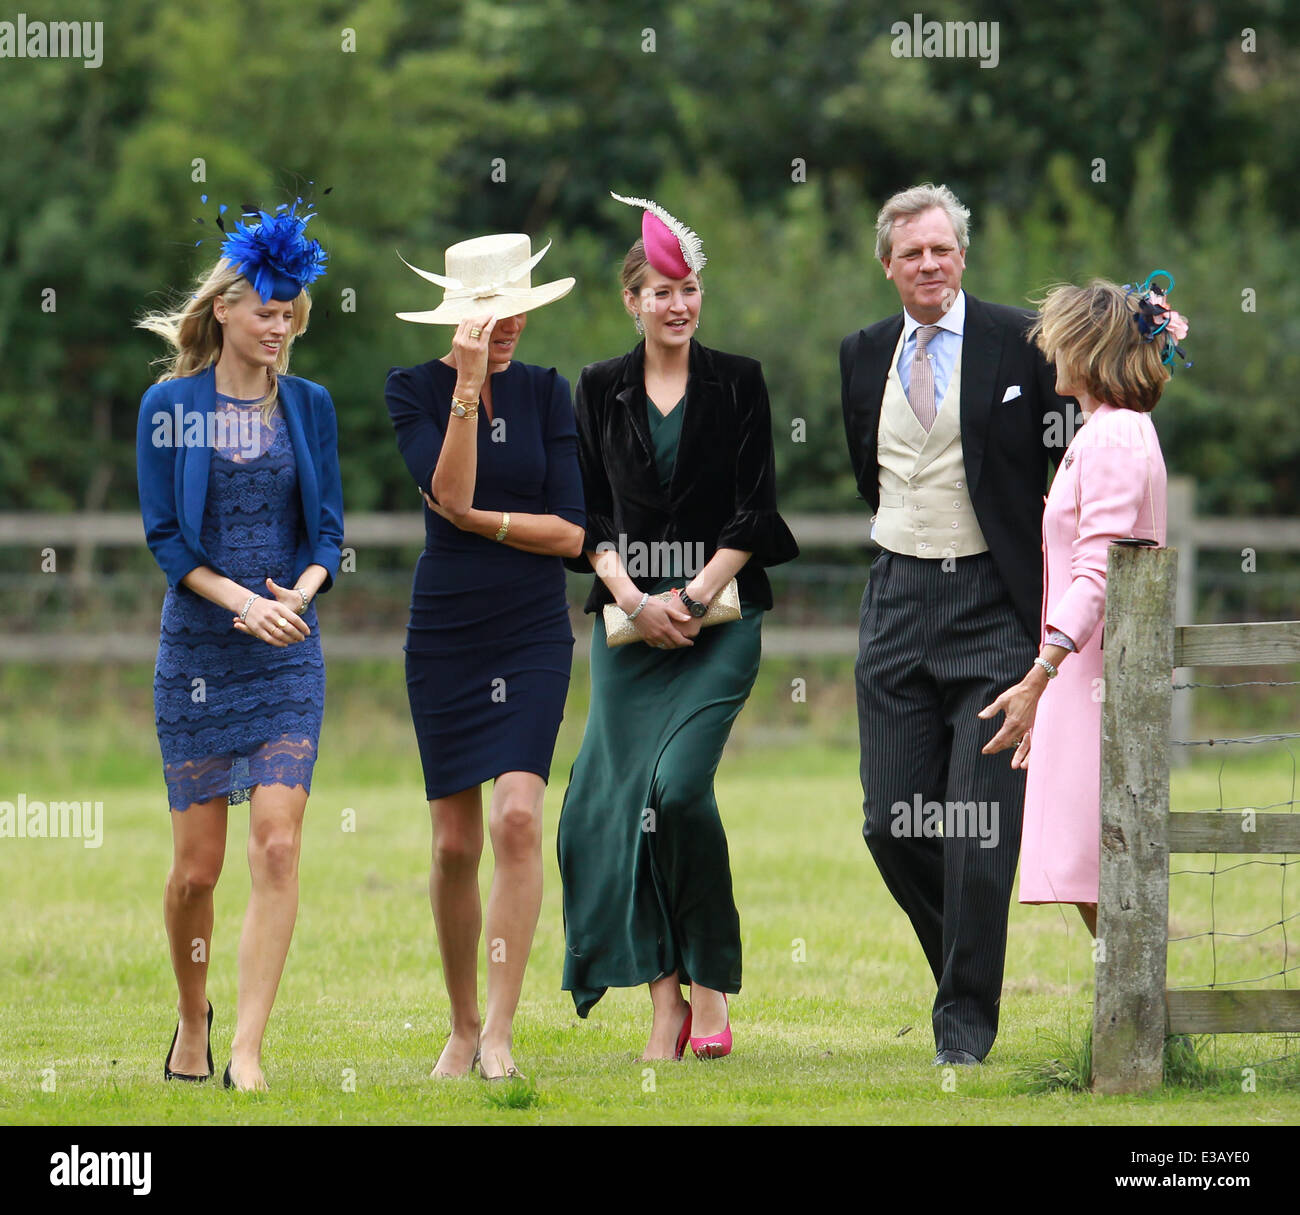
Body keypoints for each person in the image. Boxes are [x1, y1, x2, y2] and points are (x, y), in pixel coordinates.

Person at [558, 192, 798, 1061]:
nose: (677, 303)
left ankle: (711, 979)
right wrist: (633, 599)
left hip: (719, 622)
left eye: (688, 287)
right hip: (627, 631)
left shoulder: (740, 381)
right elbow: (585, 517)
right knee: (620, 804)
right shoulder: (597, 388)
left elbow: (755, 510)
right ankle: (666, 1001)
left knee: (679, 791)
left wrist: (690, 600)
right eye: (660, 290)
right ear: (631, 300)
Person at [840, 182, 1074, 1065]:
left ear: (962, 255)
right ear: (889, 265)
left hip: (994, 611)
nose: (930, 264)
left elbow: (1072, 452)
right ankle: (967, 966)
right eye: (912, 253)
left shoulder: (1024, 341)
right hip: (896, 599)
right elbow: (870, 469)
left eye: (943, 249)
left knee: (978, 836)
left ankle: (963, 1034)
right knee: (889, 824)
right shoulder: (861, 355)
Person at [136, 201, 341, 1091]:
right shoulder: (169, 406)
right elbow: (167, 542)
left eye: (289, 309)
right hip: (200, 661)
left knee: (279, 846)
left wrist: (294, 595)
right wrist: (237, 607)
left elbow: (327, 536)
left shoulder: (311, 405)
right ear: (223, 308)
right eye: (263, 306)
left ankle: (248, 1052)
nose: (278, 322)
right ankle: (194, 1017)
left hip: (287, 648)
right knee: (196, 870)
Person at [385, 234, 583, 1081]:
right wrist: (467, 390)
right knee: (455, 844)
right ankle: (461, 1025)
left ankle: (500, 1029)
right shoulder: (413, 388)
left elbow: (574, 533)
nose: (508, 324)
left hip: (533, 628)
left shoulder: (548, 393)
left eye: (517, 309)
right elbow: (448, 490)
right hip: (447, 631)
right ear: (459, 315)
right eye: (490, 311)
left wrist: (489, 524)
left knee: (517, 818)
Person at [979, 274, 1183, 933]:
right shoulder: (1104, 431)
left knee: (1100, 856)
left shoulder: (1116, 438)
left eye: (1059, 337)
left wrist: (1041, 673)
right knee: (1089, 859)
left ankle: (1138, 1022)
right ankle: (1133, 1020)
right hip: (1084, 672)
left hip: (1094, 672)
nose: (1048, 350)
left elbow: (1099, 571)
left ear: (1087, 347)